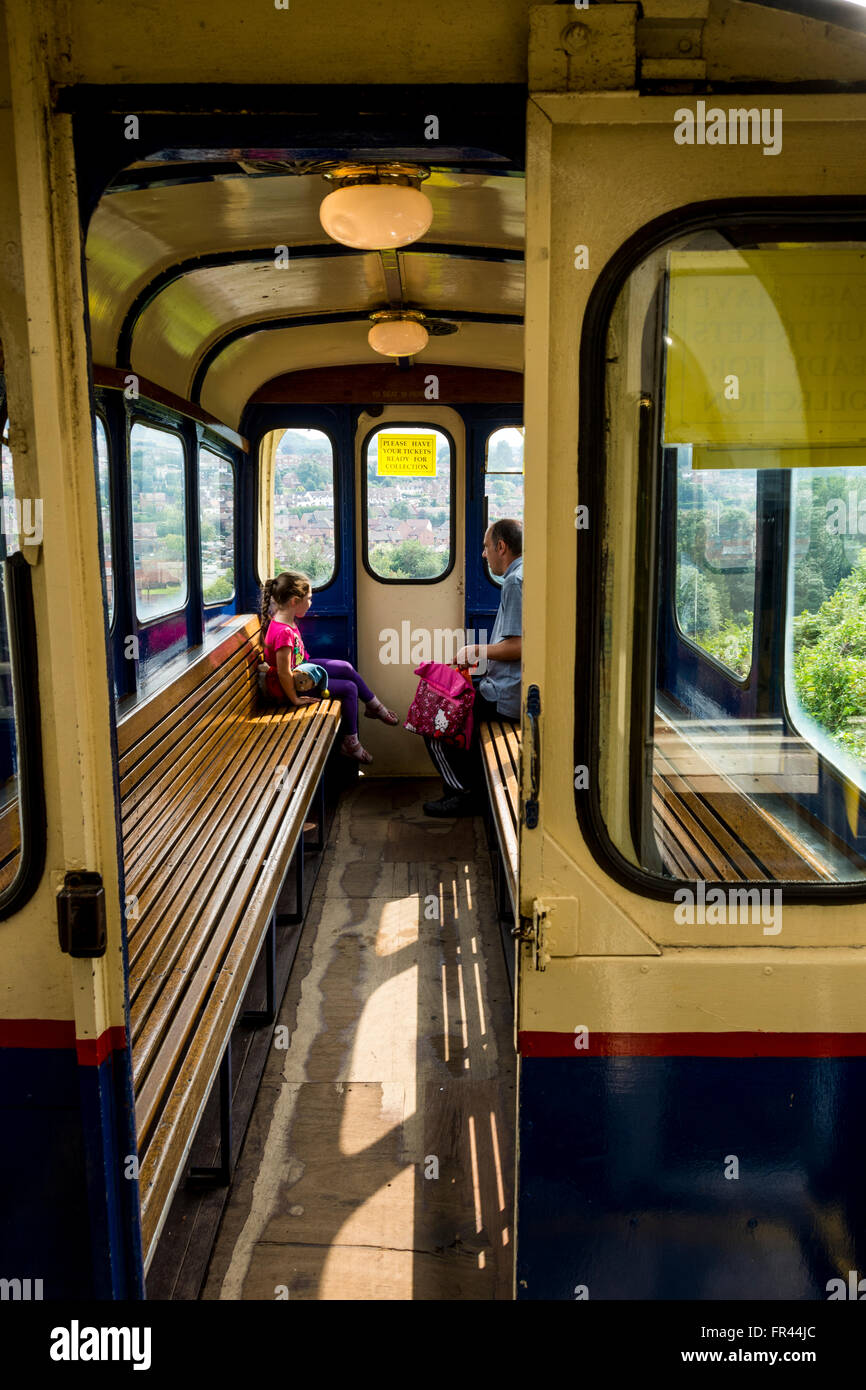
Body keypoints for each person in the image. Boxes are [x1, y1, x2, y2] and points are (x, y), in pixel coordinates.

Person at [423, 518, 522, 816]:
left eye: (485, 547)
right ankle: (476, 787)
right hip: (506, 687)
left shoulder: (516, 582)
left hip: (507, 695)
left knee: (435, 721)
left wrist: (476, 650)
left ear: (501, 547)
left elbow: (521, 645)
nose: (483, 554)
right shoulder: (522, 576)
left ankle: (463, 793)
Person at [259, 570, 399, 764]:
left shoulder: (284, 618)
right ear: (294, 601)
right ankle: (351, 743)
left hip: (302, 670)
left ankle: (374, 706)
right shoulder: (283, 632)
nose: (310, 603)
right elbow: (284, 672)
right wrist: (295, 699)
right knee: (349, 688)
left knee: (345, 667)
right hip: (295, 684)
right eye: (308, 599)